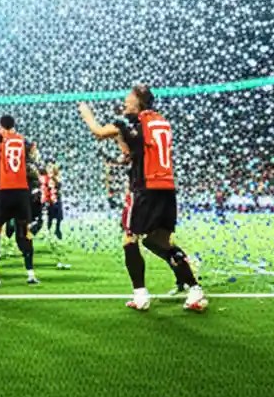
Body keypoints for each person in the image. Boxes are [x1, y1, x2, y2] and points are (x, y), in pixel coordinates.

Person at [78, 84, 207, 312]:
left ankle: (140, 295)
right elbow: (136, 150)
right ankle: (195, 290)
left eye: (129, 98)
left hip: (145, 190)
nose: (125, 102)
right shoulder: (162, 122)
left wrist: (86, 112)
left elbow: (98, 133)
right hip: (167, 189)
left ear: (139, 102)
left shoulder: (128, 122)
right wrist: (125, 153)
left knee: (130, 239)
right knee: (158, 242)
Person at [0, 114, 40, 287]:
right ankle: (30, 272)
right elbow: (33, 151)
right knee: (25, 232)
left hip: (4, 191)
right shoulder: (23, 140)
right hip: (22, 192)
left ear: (1, 126)